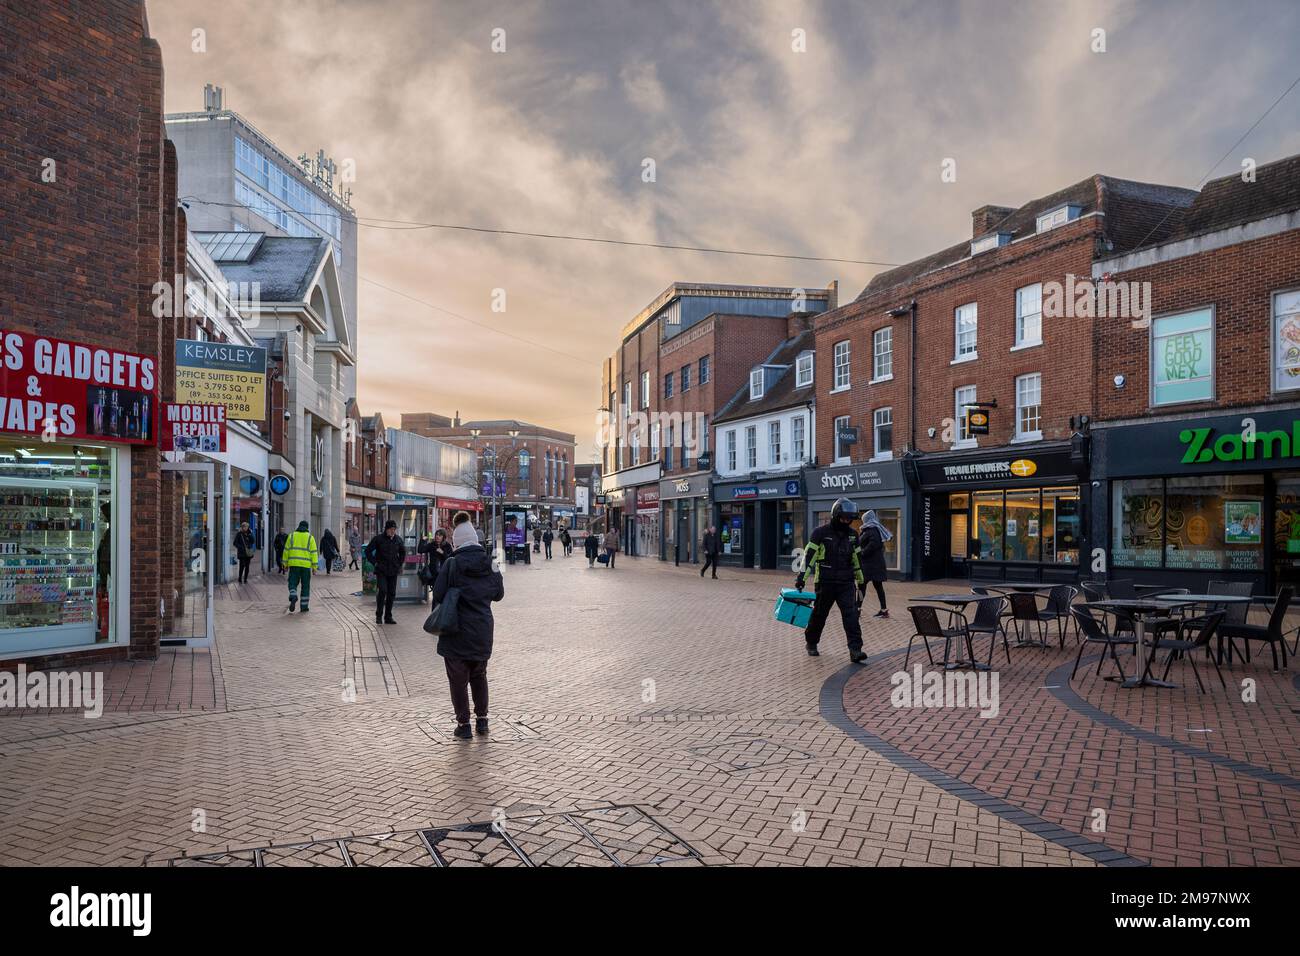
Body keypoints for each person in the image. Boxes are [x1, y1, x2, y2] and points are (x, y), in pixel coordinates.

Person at [432, 512, 504, 739]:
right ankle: (482, 721)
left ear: (457, 542)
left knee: (458, 680)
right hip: (482, 630)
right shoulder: (491, 563)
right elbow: (499, 594)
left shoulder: (452, 563)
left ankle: (463, 725)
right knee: (479, 675)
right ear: (475, 539)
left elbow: (439, 595)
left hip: (456, 631)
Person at [795, 497, 867, 663]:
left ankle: (855, 650)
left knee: (851, 616)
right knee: (819, 615)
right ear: (836, 515)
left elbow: (857, 559)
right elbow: (809, 557)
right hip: (825, 582)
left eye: (849, 519)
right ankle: (811, 642)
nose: (846, 521)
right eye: (843, 518)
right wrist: (801, 578)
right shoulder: (820, 533)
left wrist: (861, 579)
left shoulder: (853, 535)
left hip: (846, 583)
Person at [366, 519, 407, 625]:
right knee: (383, 591)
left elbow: (402, 552)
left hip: (393, 570)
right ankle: (379, 615)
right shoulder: (378, 539)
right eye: (391, 529)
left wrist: (399, 564)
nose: (393, 531)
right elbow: (368, 551)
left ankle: (388, 616)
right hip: (381, 570)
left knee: (391, 593)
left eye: (394, 529)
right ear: (386, 529)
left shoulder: (398, 540)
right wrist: (375, 563)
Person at [857, 509, 892, 619]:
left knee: (861, 587)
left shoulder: (871, 530)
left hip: (870, 565)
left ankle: (857, 609)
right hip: (874, 564)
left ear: (867, 520)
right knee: (876, 586)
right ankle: (883, 610)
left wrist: (862, 553)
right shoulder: (872, 529)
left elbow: (873, 544)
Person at [282, 520, 318, 613]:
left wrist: (285, 564)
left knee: (292, 582)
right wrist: (314, 567)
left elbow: (286, 551)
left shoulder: (292, 536)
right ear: (307, 527)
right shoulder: (310, 537)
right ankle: (304, 607)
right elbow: (314, 553)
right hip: (306, 566)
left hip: (294, 565)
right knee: (305, 586)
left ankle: (293, 595)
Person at [418, 528, 453, 593]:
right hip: (433, 573)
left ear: (443, 537)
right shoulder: (432, 545)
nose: (437, 536)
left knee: (443, 592)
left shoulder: (447, 546)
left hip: (444, 573)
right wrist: (422, 540)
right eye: (436, 535)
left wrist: (443, 553)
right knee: (435, 593)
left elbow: (451, 559)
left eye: (440, 535)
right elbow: (420, 550)